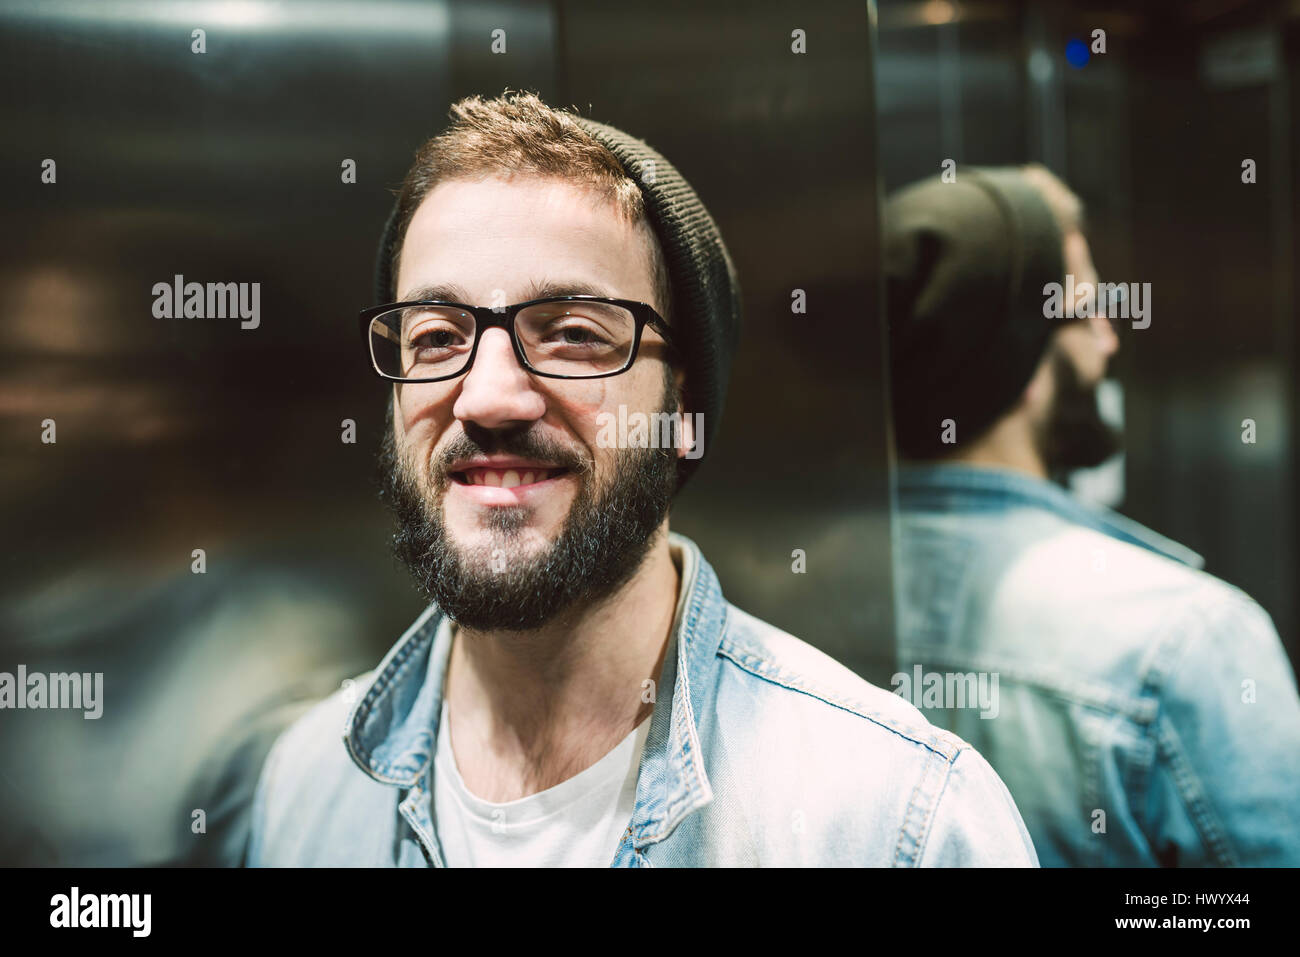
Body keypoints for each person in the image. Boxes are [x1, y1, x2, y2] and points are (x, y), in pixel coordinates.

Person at [245, 92, 1036, 867]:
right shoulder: (310, 786)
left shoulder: (896, 822)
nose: (486, 396)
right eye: (438, 336)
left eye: (573, 334)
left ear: (683, 398)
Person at [886, 164, 1300, 866]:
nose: (1108, 340)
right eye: (1085, 310)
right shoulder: (1185, 639)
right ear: (1016, 357)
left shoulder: (772, 606)